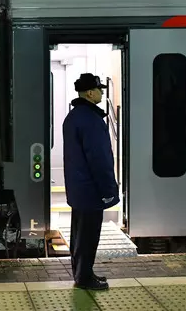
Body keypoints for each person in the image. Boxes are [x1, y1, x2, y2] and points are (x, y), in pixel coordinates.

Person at [62, 73, 120, 290]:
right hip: (91, 189)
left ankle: (81, 272)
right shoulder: (91, 120)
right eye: (99, 90)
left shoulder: (73, 117)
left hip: (78, 189)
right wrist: (108, 190)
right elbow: (100, 159)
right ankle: (85, 278)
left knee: (79, 235)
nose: (102, 93)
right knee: (88, 236)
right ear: (89, 92)